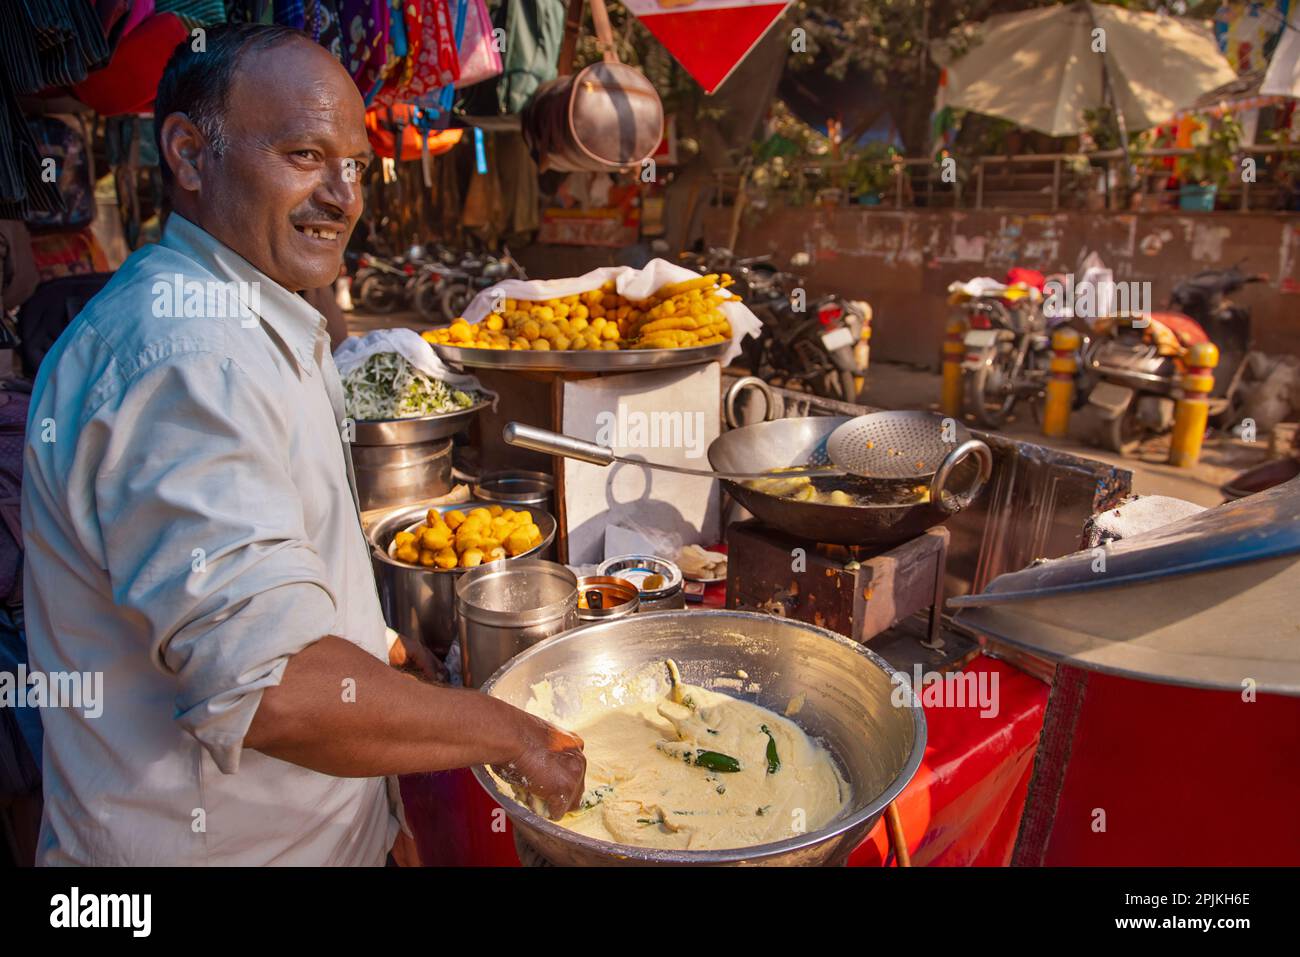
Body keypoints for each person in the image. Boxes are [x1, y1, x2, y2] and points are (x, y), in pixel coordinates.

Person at [21, 24, 585, 866]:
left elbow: (276, 570)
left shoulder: (248, 315)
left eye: (354, 164)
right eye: (303, 154)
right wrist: (514, 734)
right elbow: (272, 689)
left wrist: (382, 648)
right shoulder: (184, 358)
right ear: (186, 152)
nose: (343, 195)